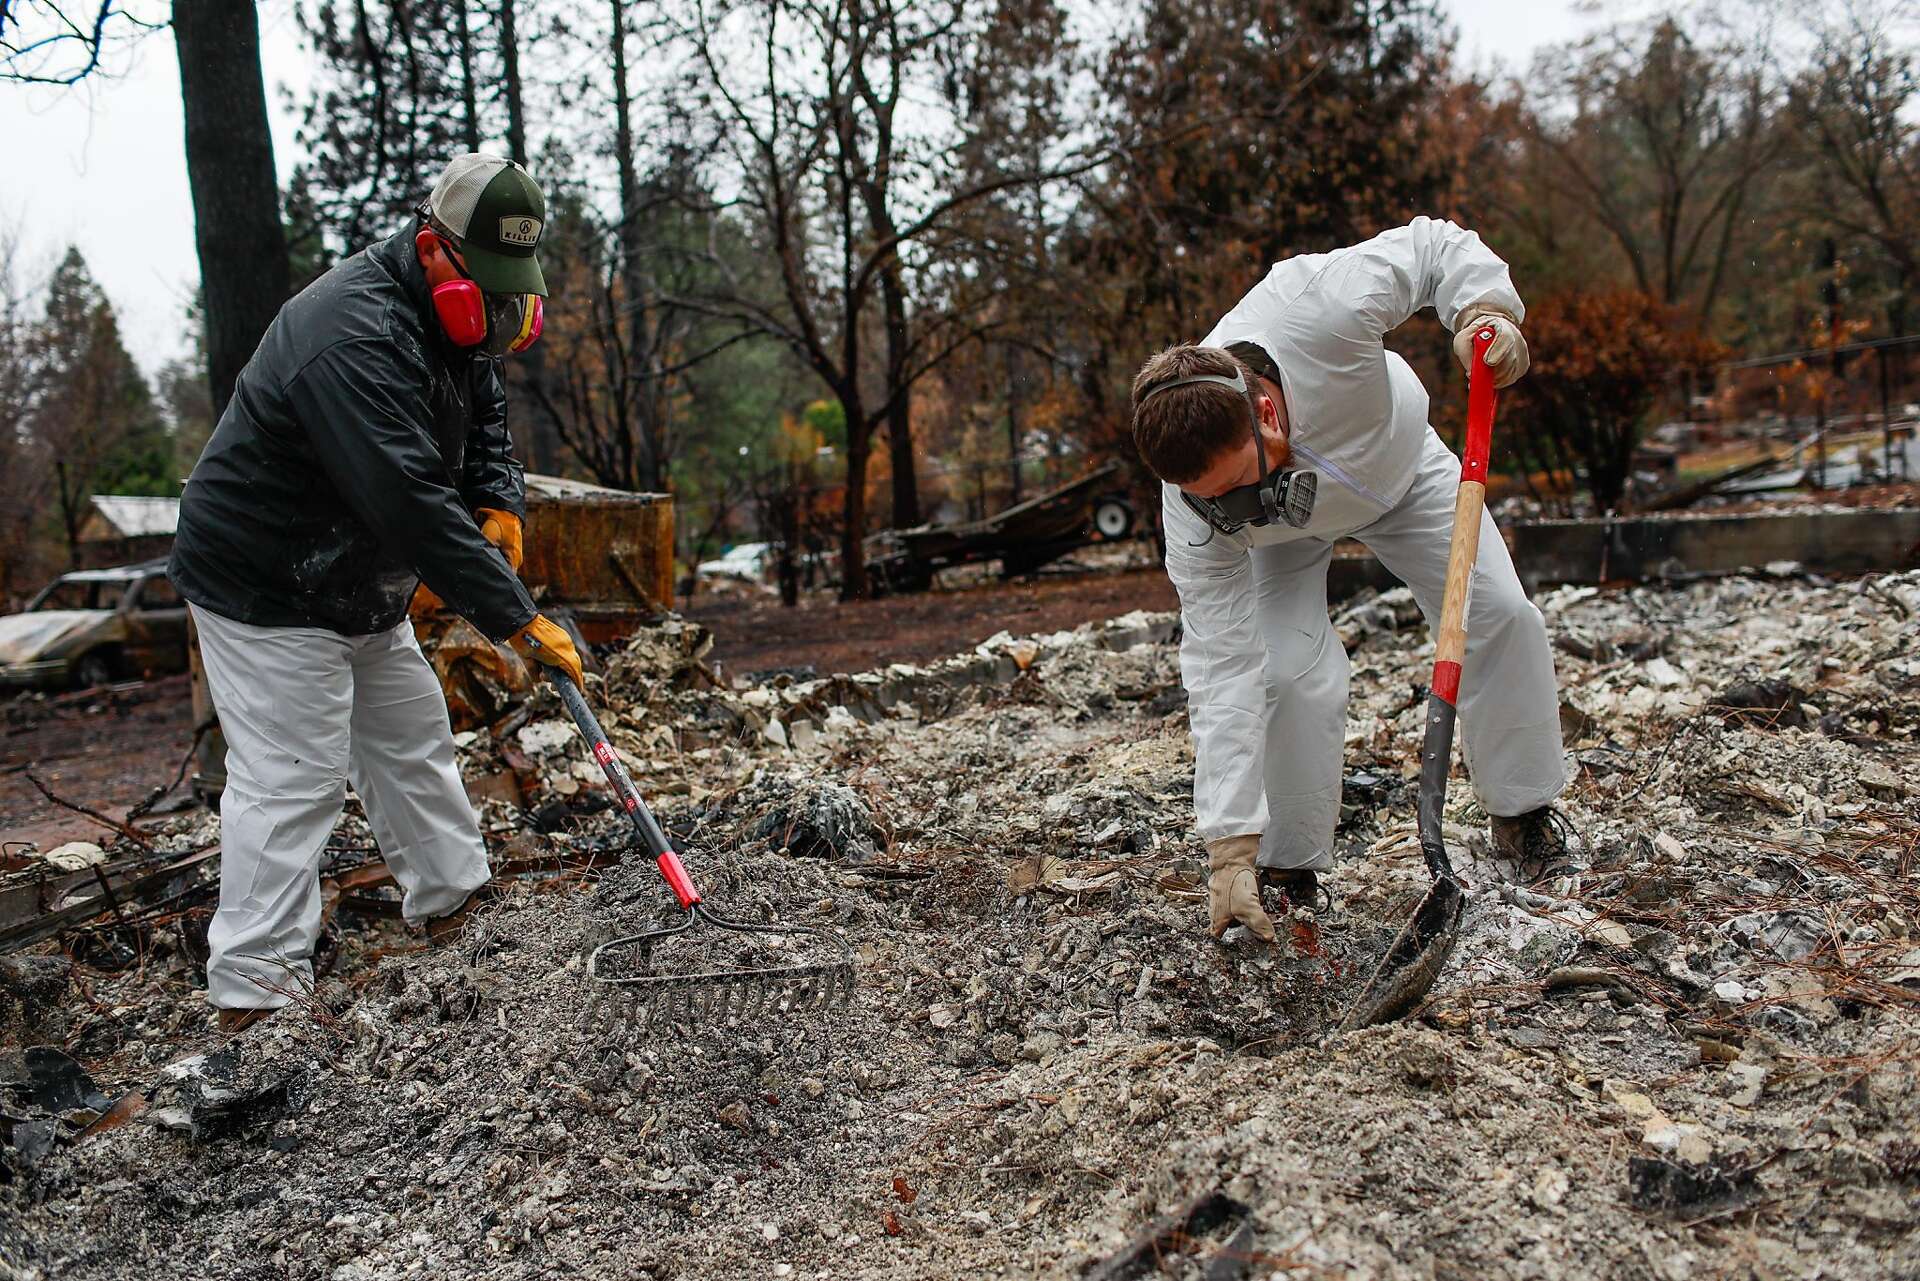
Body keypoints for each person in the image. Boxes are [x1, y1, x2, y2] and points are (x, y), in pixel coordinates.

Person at [169, 154, 584, 1030]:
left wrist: (498, 503)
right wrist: (515, 615)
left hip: (356, 574)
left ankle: (454, 898)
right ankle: (254, 990)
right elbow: (406, 498)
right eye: (489, 282)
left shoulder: (458, 321)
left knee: (409, 731)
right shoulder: (348, 334)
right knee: (295, 776)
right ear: (435, 249)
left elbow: (486, 423)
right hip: (268, 578)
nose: (502, 310)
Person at [1129, 216, 1570, 943]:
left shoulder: (1317, 307)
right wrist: (1229, 844)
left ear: (1265, 412)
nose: (1222, 510)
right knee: (1288, 673)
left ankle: (1522, 816)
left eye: (1235, 486)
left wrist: (1483, 308)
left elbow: (1433, 246)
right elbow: (1220, 662)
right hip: (1282, 534)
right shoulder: (1204, 509)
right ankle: (1285, 869)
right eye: (1210, 499)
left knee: (1500, 612)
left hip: (1398, 469)